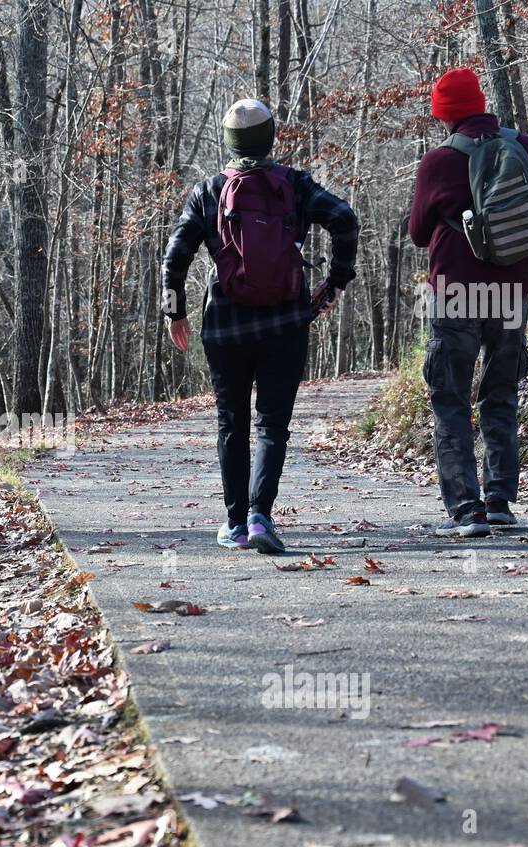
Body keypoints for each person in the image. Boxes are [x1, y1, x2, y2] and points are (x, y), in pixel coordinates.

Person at [162, 98, 358, 554]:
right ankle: (259, 517)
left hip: (225, 327)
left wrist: (176, 312)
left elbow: (175, 257)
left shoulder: (209, 192)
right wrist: (334, 285)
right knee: (272, 423)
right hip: (286, 321)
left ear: (228, 142)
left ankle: (233, 525)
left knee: (231, 422)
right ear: (270, 139)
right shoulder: (295, 185)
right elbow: (345, 220)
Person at [409, 69, 528, 537]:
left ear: (444, 115)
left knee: (450, 399)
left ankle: (465, 510)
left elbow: (418, 233)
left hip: (455, 295)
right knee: (501, 395)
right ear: (481, 104)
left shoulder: (437, 161)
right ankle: (499, 500)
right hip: (511, 294)